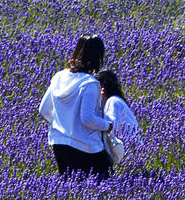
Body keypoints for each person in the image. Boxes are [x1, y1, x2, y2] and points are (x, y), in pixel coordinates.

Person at [37, 34, 114, 180]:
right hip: (86, 146)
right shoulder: (90, 84)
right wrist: (107, 126)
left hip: (59, 143)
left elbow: (44, 109)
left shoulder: (59, 77)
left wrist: (62, 124)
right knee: (103, 182)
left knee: (70, 186)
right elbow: (87, 119)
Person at [97, 69, 141, 157]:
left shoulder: (113, 101)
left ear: (102, 89)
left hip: (129, 151)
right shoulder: (117, 100)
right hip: (132, 149)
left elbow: (110, 126)